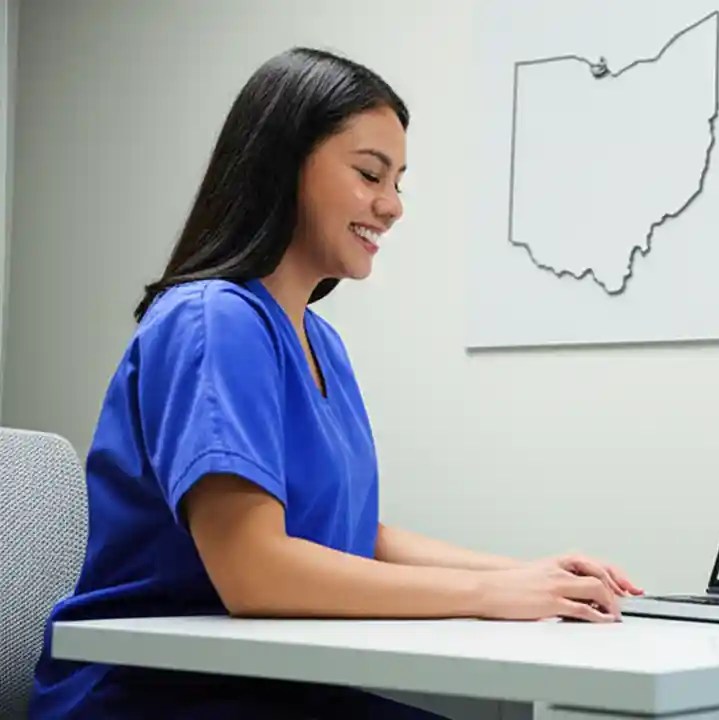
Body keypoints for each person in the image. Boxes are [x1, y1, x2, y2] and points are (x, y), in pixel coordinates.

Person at [27, 47, 643, 719]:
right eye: (370, 173)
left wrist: (526, 575)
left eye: (399, 181)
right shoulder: (214, 320)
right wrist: (487, 596)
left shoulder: (319, 341)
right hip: (155, 697)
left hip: (274, 687)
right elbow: (255, 571)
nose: (394, 205)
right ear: (285, 164)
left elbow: (353, 534)